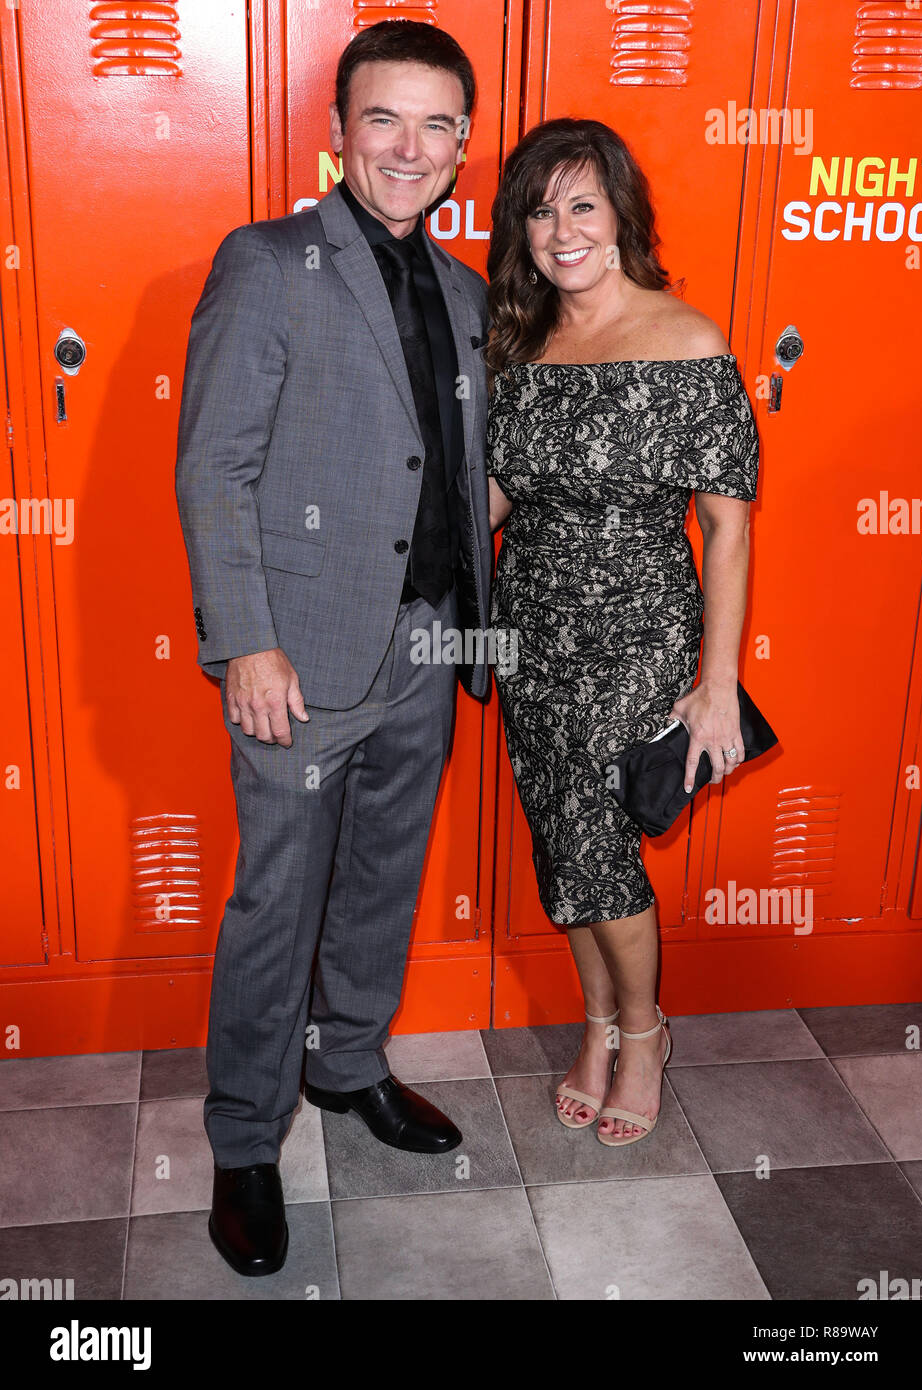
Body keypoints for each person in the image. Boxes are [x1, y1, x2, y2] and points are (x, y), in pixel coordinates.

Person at [174, 19, 492, 1275]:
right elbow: (213, 466)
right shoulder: (267, 262)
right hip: (299, 660)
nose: (408, 148)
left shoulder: (466, 292)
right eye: (384, 119)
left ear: (462, 149)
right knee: (276, 902)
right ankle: (245, 1138)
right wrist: (244, 644)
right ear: (339, 133)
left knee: (380, 881)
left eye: (435, 126)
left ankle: (349, 1063)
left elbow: (452, 469)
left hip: (427, 642)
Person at [485, 118, 759, 1147]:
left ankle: (643, 1033)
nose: (561, 229)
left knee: (600, 853)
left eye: (582, 204)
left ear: (620, 217)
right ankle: (596, 1023)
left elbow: (725, 523)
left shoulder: (687, 341)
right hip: (530, 638)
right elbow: (498, 497)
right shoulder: (524, 342)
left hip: (640, 634)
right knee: (565, 842)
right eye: (541, 208)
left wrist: (716, 680)